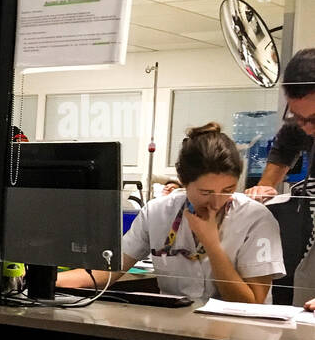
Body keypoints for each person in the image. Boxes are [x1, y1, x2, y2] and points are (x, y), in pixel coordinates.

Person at [58, 123, 284, 304]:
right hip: (175, 330)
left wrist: (212, 245)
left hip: (238, 338)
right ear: (183, 182)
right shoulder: (158, 212)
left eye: (228, 190)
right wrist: (34, 280)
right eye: (205, 192)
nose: (216, 202)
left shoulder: (256, 218)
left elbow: (251, 303)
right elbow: (106, 272)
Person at [245, 47, 315, 202]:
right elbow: (284, 149)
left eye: (314, 119)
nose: (307, 128)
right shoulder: (299, 125)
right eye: (297, 116)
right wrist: (263, 188)